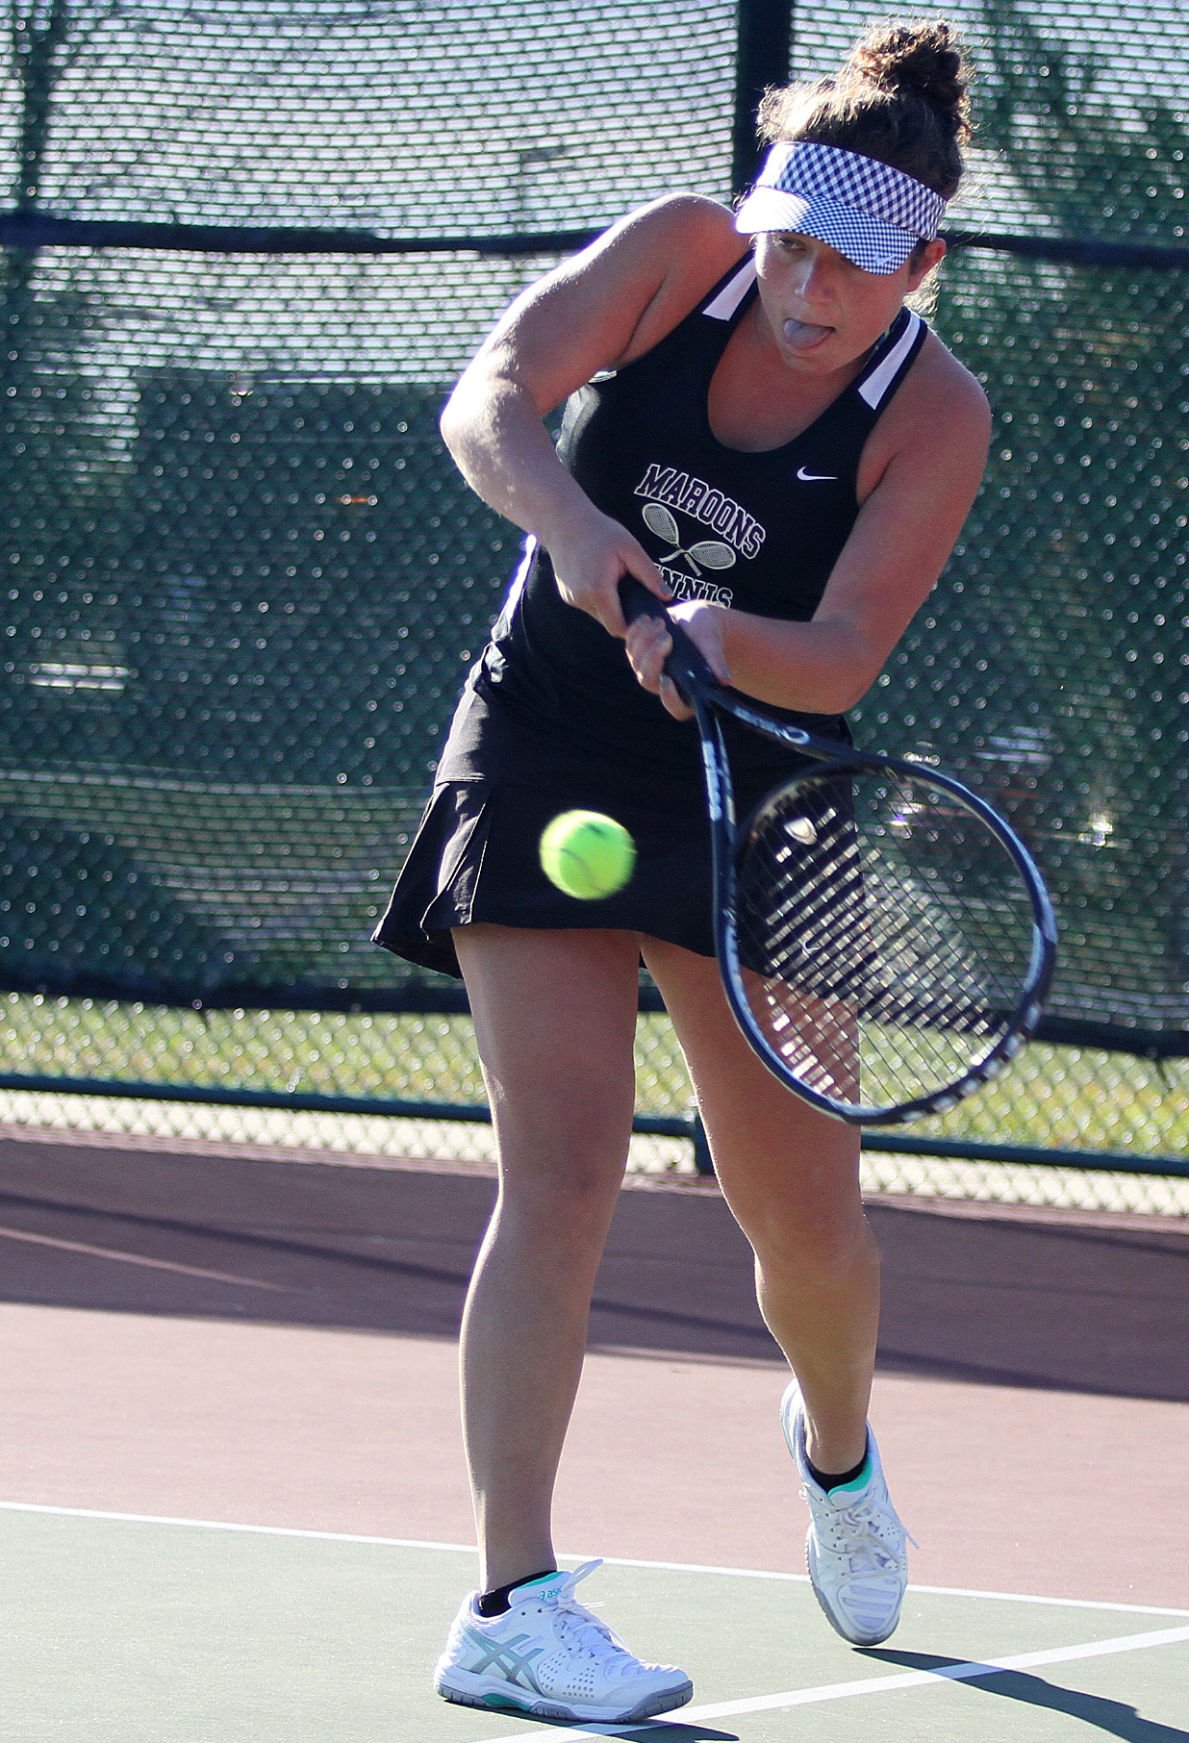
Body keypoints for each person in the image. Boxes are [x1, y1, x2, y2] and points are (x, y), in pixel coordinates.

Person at [374, 17, 991, 1727]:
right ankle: (510, 1601)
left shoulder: (935, 412)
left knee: (804, 1225)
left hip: (757, 789)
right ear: (758, 213)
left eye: (851, 268)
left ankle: (839, 1455)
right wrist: (577, 537)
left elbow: (847, 649)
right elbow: (487, 398)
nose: (805, 289)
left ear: (918, 266)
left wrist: (717, 636)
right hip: (547, 741)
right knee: (556, 1174)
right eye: (788, 243)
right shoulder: (672, 256)